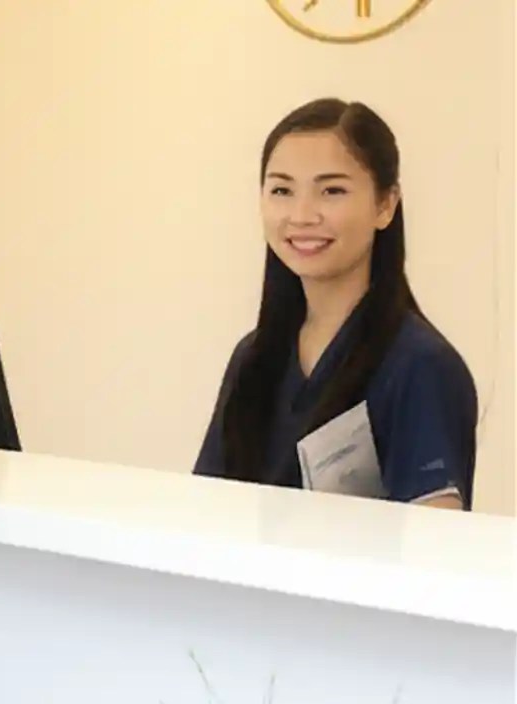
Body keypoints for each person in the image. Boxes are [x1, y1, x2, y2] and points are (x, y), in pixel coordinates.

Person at [194, 98, 478, 510]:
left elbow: (434, 549)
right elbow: (204, 513)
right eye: (281, 190)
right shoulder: (253, 359)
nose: (302, 214)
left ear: (385, 205)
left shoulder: (420, 366)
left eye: (332, 190)